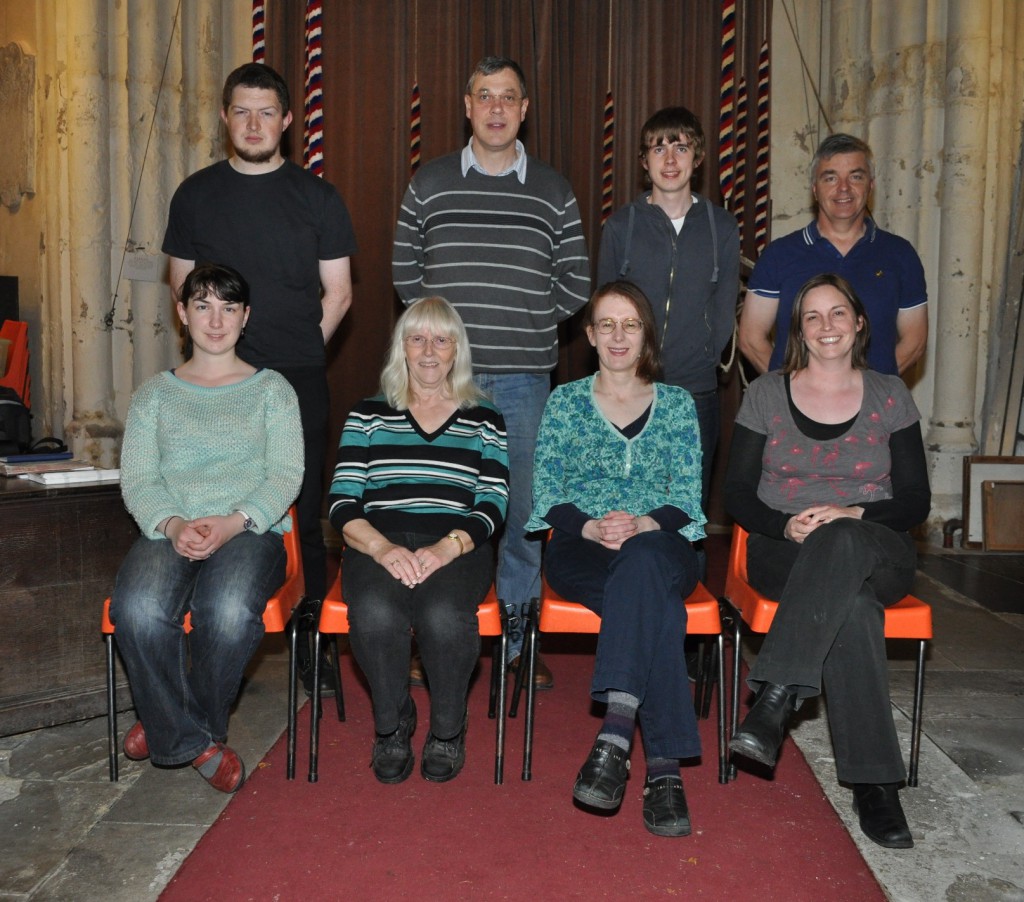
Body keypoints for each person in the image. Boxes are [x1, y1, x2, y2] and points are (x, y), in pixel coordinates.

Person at [393, 56, 590, 687]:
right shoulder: (430, 182)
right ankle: (439, 636)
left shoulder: (554, 189)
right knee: (439, 508)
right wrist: (444, 345)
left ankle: (515, 647)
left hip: (528, 380)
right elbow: (404, 275)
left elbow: (577, 282)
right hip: (443, 382)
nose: (497, 108)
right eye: (486, 96)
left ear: (524, 110)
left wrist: (529, 323)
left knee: (523, 515)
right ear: (468, 106)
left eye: (509, 97)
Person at [162, 62, 357, 693]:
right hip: (211, 381)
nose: (253, 124)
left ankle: (313, 639)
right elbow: (180, 286)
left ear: (288, 121)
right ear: (224, 119)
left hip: (295, 375)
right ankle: (205, 626)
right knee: (202, 496)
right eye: (241, 112)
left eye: (266, 112)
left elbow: (339, 293)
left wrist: (296, 354)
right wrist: (222, 358)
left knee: (302, 512)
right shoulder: (194, 194)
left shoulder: (318, 197)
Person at [724, 273, 931, 849]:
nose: (826, 326)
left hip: (877, 546)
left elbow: (915, 500)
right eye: (812, 316)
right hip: (784, 549)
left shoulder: (891, 394)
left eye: (837, 313)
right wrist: (784, 522)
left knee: (841, 540)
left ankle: (775, 697)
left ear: (859, 322)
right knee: (854, 609)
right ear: (799, 330)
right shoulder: (767, 393)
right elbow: (737, 493)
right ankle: (876, 786)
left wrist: (853, 514)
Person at [110, 263, 304, 793]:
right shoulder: (154, 394)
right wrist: (173, 525)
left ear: (246, 317)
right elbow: (140, 478)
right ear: (182, 313)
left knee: (226, 611)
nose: (215, 320)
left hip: (250, 530)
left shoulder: (273, 391)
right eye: (202, 305)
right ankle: (194, 740)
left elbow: (286, 474)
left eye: (228, 307)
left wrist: (233, 520)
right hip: (168, 528)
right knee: (137, 608)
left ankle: (168, 723)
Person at [527, 282, 706, 837]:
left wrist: (645, 523)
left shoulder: (677, 404)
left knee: (645, 562)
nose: (619, 335)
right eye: (607, 324)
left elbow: (689, 496)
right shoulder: (565, 402)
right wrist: (591, 525)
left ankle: (615, 735)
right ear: (589, 335)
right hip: (581, 547)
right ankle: (664, 773)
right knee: (656, 610)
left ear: (646, 332)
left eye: (630, 324)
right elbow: (545, 493)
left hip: (663, 544)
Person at [328, 297, 509, 784]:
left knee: (443, 615)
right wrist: (383, 548)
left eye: (441, 339)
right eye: (417, 338)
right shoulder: (367, 415)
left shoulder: (485, 419)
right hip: (377, 540)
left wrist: (445, 547)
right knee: (376, 613)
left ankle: (448, 730)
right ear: (401, 348)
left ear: (457, 350)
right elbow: (343, 502)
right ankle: (392, 723)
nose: (429, 351)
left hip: (456, 542)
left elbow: (492, 504)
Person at [597, 105, 739, 515]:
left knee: (686, 509)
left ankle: (689, 582)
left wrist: (704, 358)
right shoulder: (620, 228)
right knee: (628, 505)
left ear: (698, 157)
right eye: (659, 150)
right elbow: (604, 315)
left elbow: (726, 306)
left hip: (696, 393)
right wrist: (625, 372)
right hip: (629, 389)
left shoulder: (722, 228)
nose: (671, 160)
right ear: (644, 163)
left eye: (681, 147)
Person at [738, 133, 927, 377]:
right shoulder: (778, 255)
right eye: (830, 178)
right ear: (815, 189)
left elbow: (915, 341)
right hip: (794, 413)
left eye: (855, 176)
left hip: (876, 410)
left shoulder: (900, 255)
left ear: (871, 185)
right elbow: (751, 338)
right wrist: (789, 392)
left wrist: (873, 392)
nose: (843, 188)